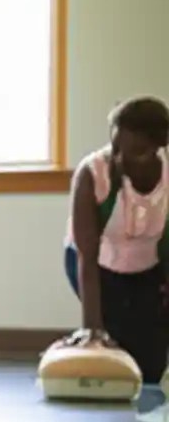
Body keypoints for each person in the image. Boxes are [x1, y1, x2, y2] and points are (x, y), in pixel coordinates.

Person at [62, 96, 169, 383]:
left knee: (151, 359)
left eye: (135, 151)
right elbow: (87, 255)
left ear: (158, 148)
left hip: (148, 265)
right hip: (95, 265)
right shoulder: (92, 174)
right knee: (115, 344)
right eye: (116, 147)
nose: (120, 159)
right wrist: (93, 331)